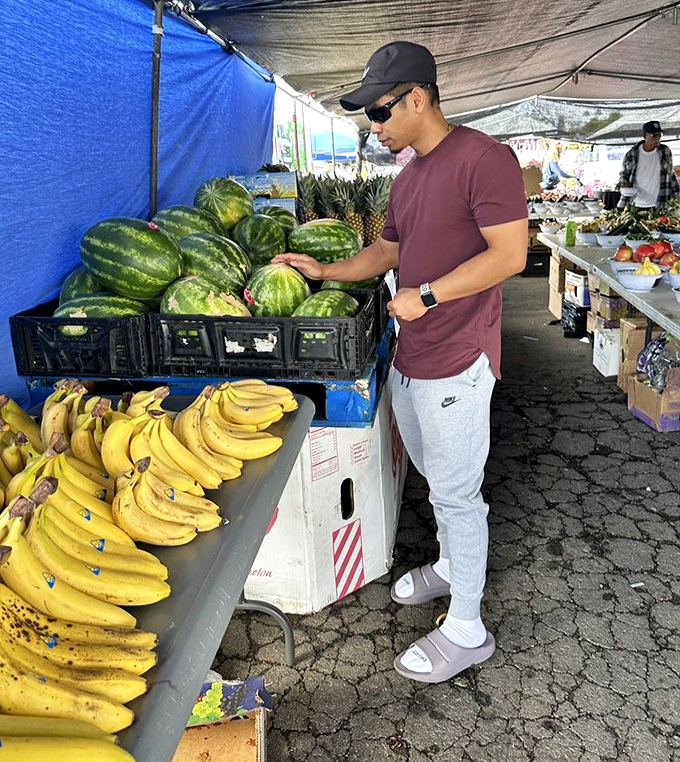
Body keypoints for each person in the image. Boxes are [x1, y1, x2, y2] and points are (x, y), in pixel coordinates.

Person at [272, 41, 528, 684]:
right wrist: (324, 269)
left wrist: (432, 295)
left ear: (418, 98)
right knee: (433, 475)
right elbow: (385, 253)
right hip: (411, 356)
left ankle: (468, 627)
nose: (374, 128)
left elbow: (511, 256)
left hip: (458, 355)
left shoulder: (486, 159)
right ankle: (448, 567)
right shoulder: (408, 177)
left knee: (457, 491)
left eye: (381, 114)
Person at [619, 121, 679, 209]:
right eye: (653, 135)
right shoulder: (632, 154)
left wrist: (677, 196)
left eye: (659, 135)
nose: (657, 138)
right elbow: (624, 173)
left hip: (660, 203)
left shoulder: (665, 151)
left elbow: (670, 175)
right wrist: (623, 182)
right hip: (636, 203)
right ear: (644, 136)